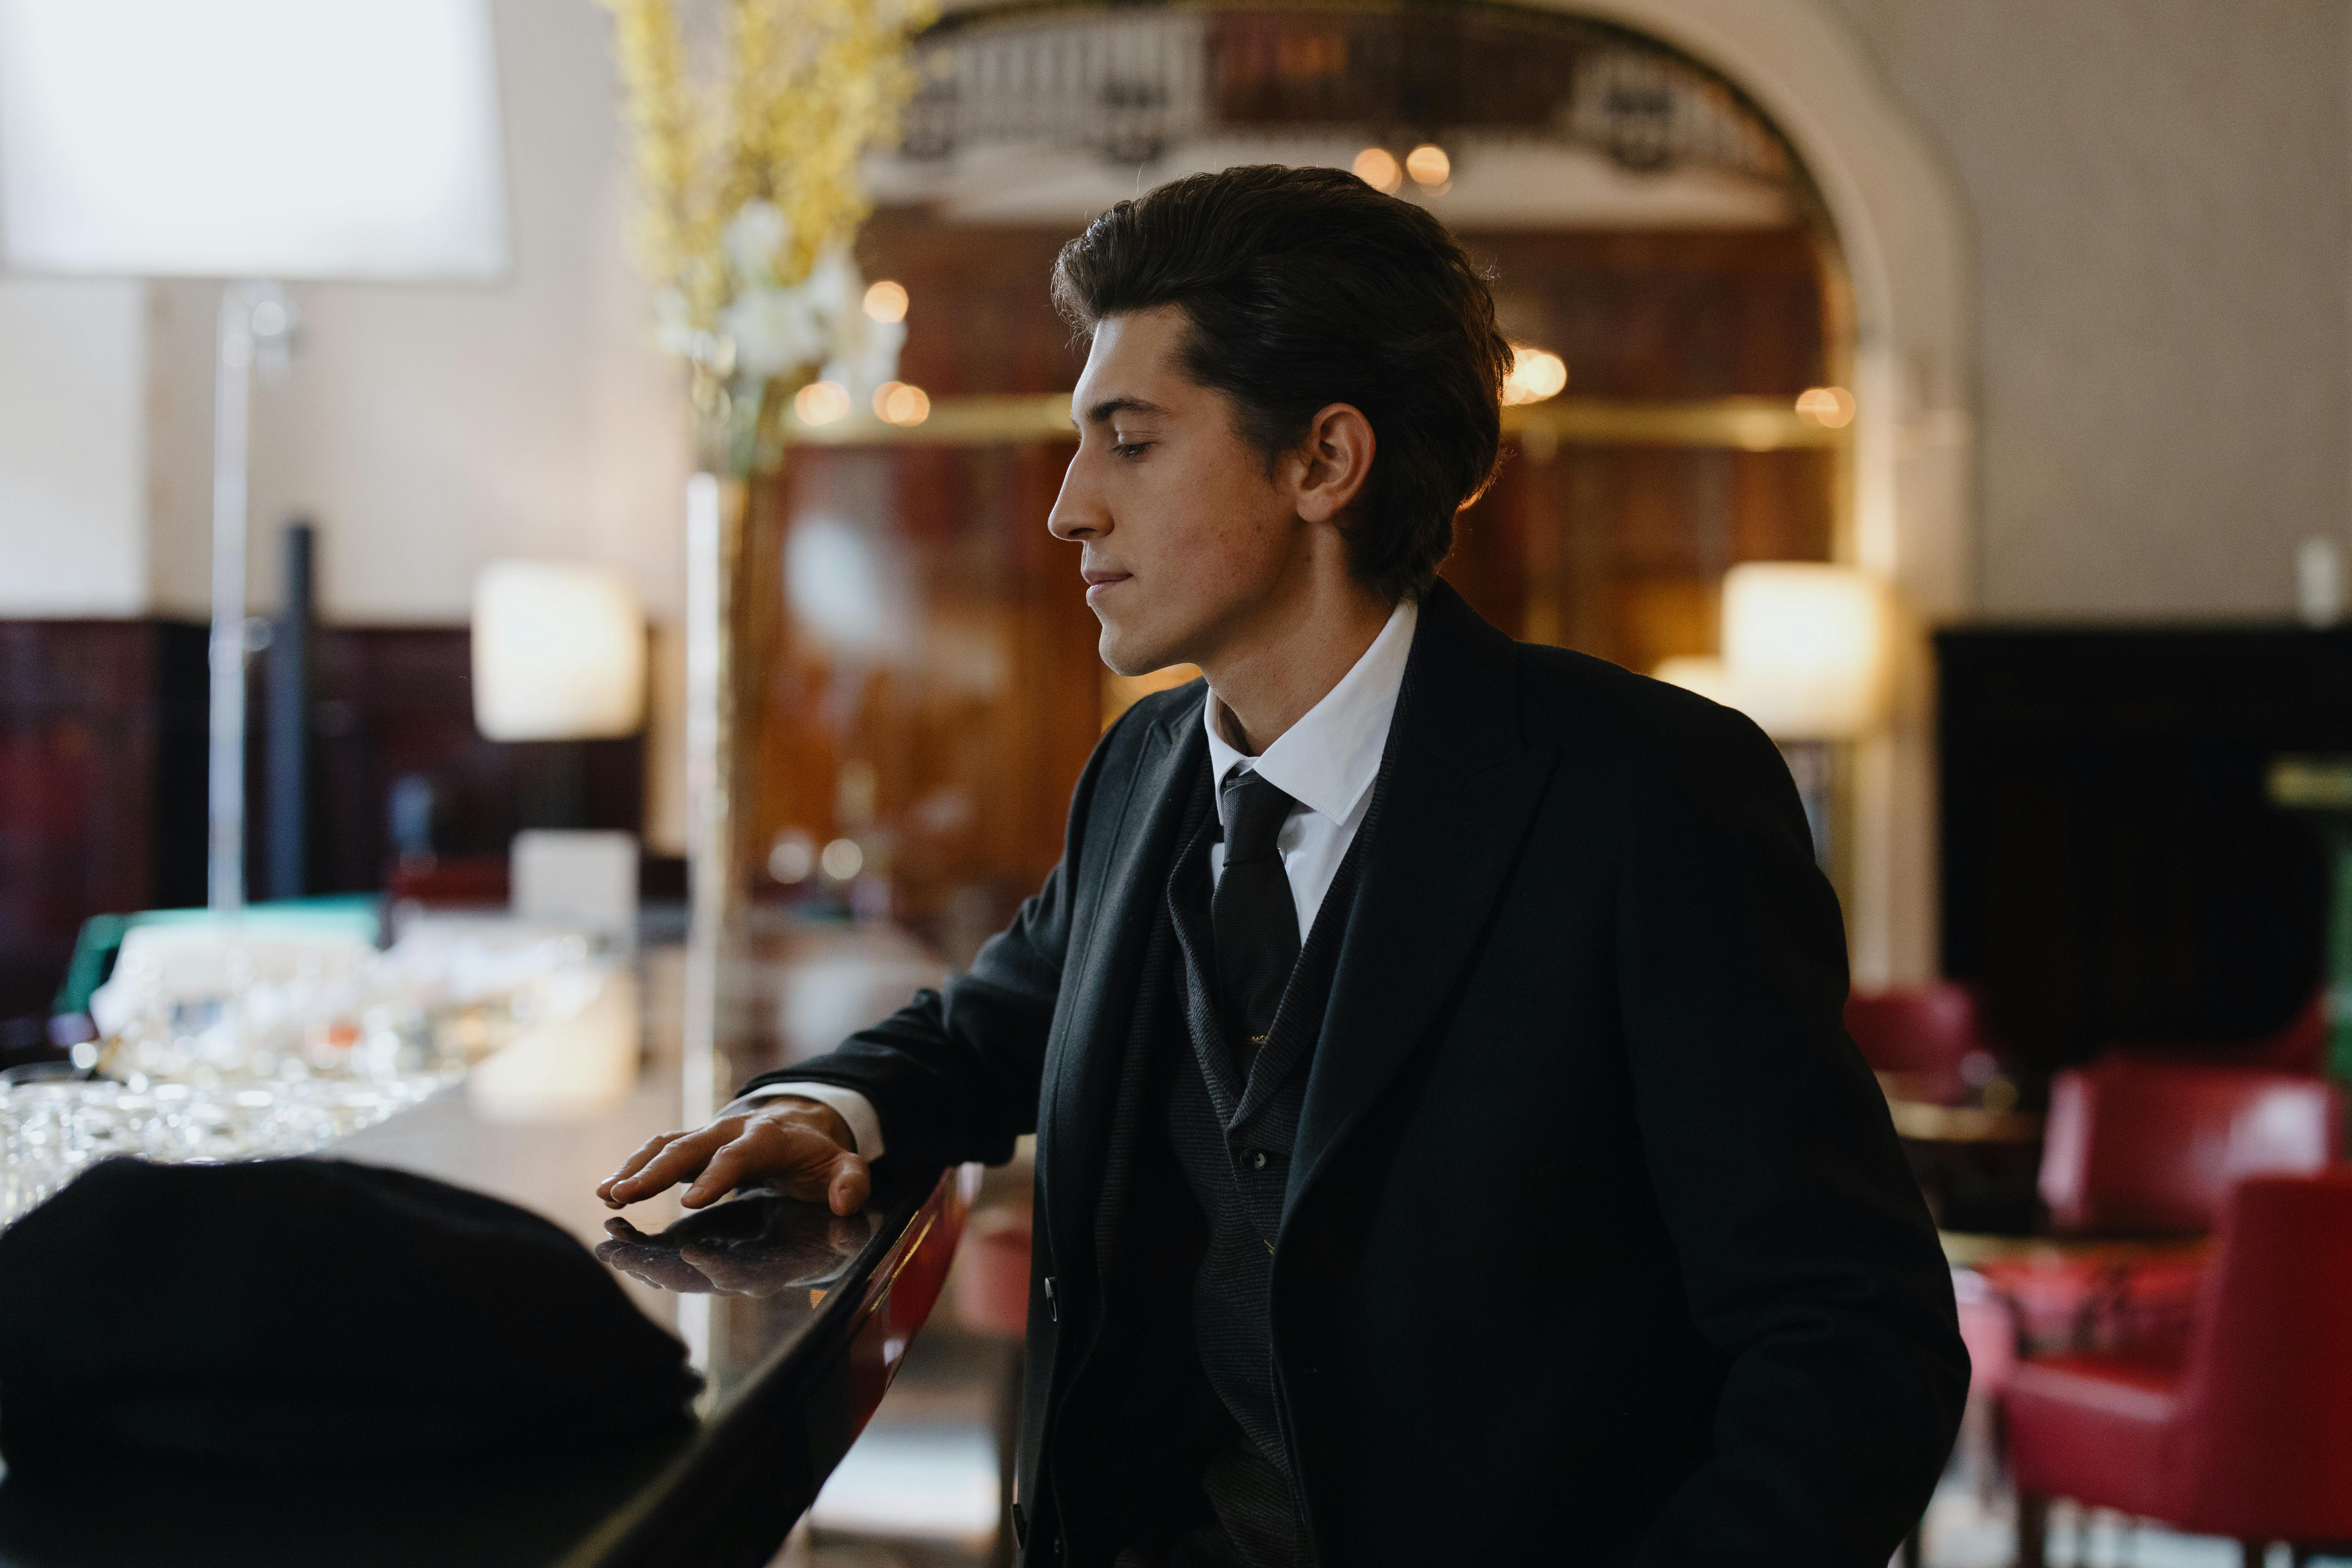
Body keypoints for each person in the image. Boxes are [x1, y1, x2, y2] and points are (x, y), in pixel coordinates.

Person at [599, 164, 1967, 1567]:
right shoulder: (1139, 775)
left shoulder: (1647, 797)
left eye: (1127, 442)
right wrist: (833, 1111)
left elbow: (1855, 1345)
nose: (1069, 507)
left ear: (1324, 462)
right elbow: (992, 1026)